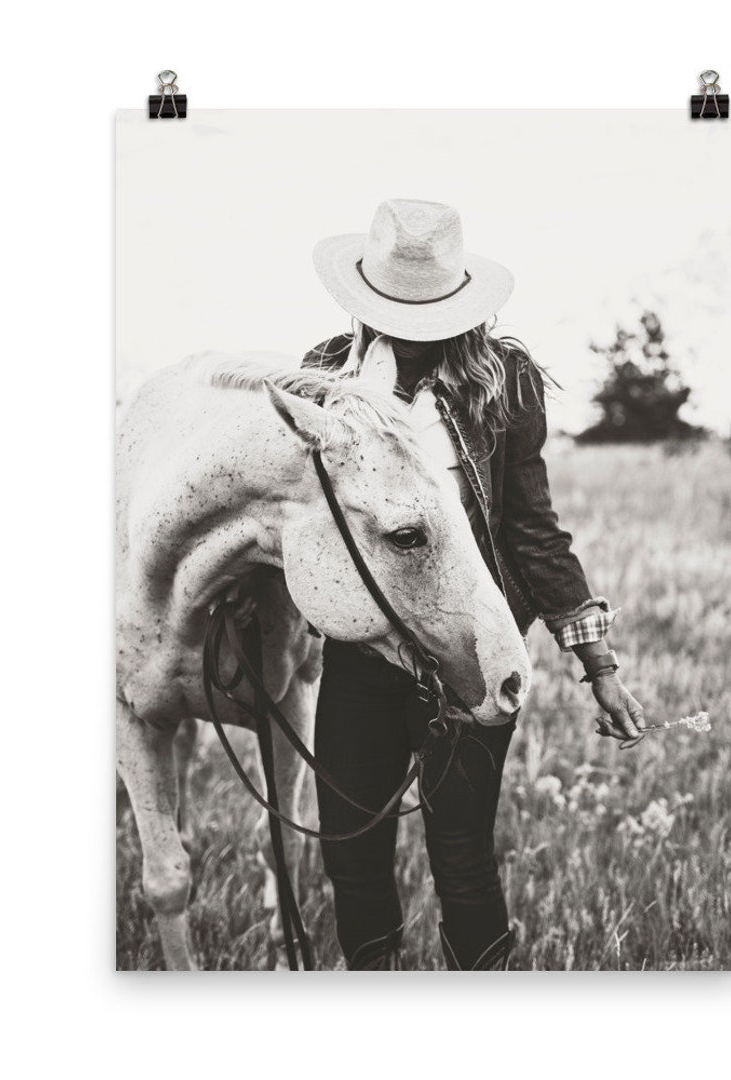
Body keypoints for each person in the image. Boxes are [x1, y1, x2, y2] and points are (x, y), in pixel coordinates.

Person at [303, 199, 646, 970]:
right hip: (363, 657)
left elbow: (532, 528)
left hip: (472, 651)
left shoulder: (504, 381)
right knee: (350, 854)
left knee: (460, 855)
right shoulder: (327, 373)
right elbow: (302, 519)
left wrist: (598, 664)